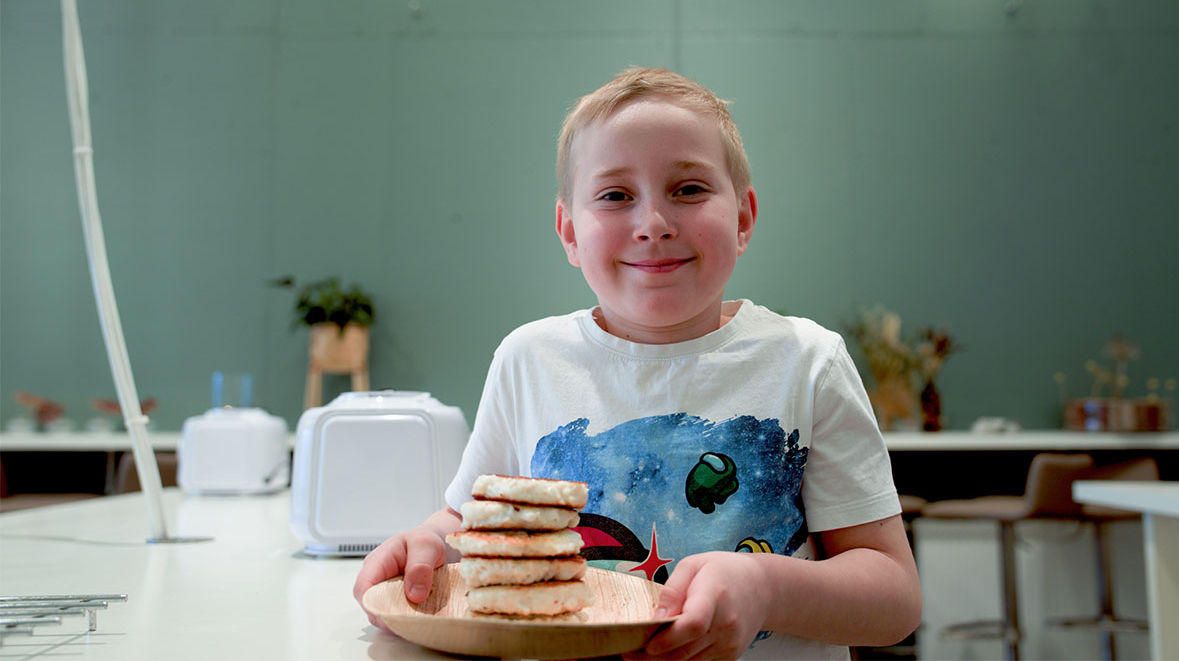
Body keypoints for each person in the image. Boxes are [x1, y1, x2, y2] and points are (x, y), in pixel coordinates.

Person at [354, 67, 921, 659]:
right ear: (570, 231)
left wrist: (767, 588)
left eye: (690, 189)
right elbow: (470, 527)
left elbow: (895, 600)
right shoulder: (528, 360)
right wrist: (426, 546)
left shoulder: (807, 363)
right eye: (616, 196)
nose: (653, 224)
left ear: (744, 218)